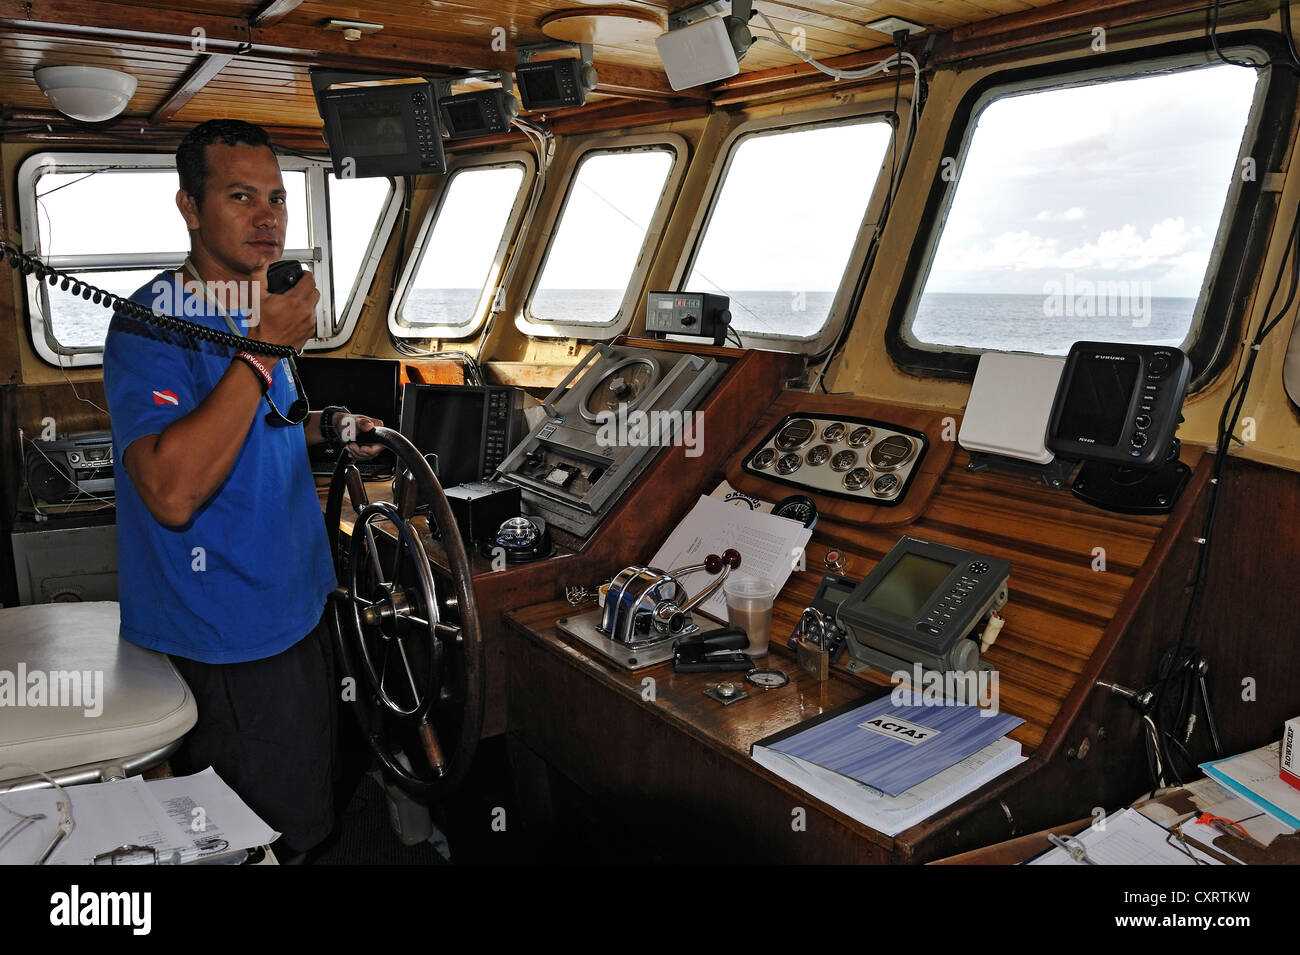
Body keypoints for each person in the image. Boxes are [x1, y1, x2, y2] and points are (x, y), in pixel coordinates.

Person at [102, 118, 383, 860]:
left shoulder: (256, 313)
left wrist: (330, 421)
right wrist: (264, 350)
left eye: (278, 199)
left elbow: (262, 424)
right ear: (189, 208)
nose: (268, 217)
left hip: (294, 611)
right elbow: (170, 486)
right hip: (226, 637)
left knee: (302, 815)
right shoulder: (153, 323)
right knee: (250, 843)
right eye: (239, 196)